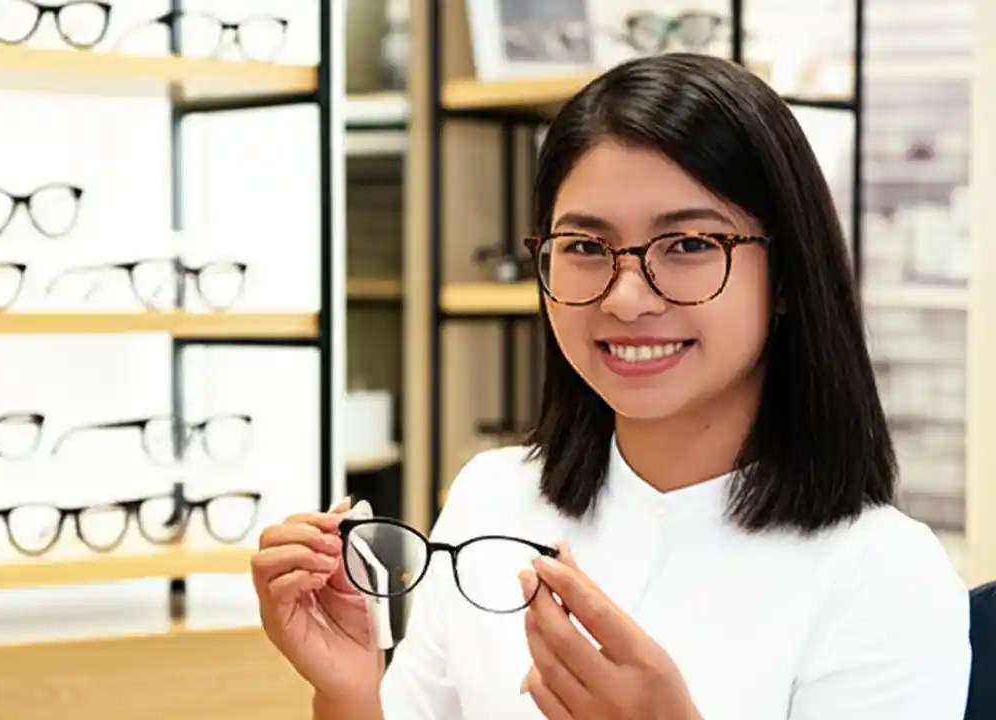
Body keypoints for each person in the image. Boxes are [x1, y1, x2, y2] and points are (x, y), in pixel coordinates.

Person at [249, 53, 973, 719]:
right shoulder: (492, 498)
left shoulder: (880, 574)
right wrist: (347, 688)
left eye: (689, 244)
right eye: (586, 247)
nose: (627, 297)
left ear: (786, 276)